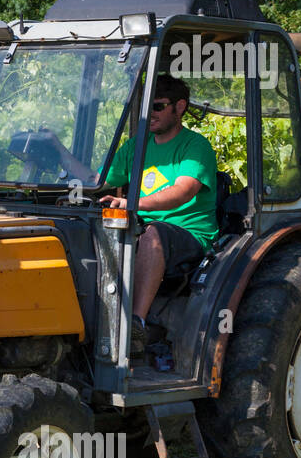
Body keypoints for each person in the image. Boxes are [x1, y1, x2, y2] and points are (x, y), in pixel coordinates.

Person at [44, 74, 219, 354]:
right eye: (147, 106)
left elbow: (182, 191)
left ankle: (134, 326)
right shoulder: (137, 146)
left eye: (159, 106)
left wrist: (132, 204)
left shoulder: (195, 147)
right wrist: (57, 149)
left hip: (188, 234)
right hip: (140, 226)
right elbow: (95, 179)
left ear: (180, 107)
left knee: (154, 234)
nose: (151, 114)